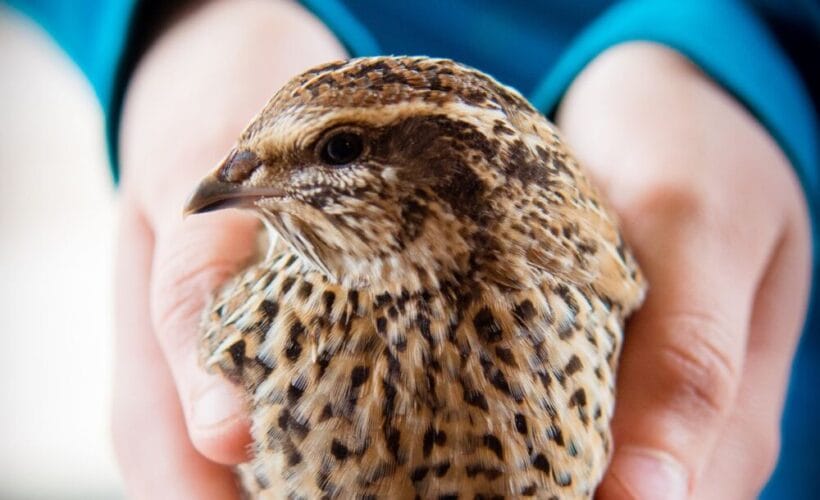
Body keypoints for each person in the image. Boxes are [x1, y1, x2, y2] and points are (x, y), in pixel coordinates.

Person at [7, 0, 817, 498]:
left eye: (334, 154)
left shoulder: (569, 295)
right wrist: (175, 15)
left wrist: (756, 57)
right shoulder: (267, 319)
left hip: (730, 216)